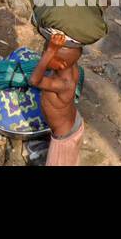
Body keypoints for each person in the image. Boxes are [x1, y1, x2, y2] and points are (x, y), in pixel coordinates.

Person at [29, 30, 85, 166]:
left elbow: (34, 81)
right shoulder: (72, 69)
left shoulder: (62, 84)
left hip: (64, 139)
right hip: (72, 125)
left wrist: (51, 50)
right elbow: (74, 50)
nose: (43, 56)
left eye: (47, 55)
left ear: (61, 65)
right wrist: (58, 44)